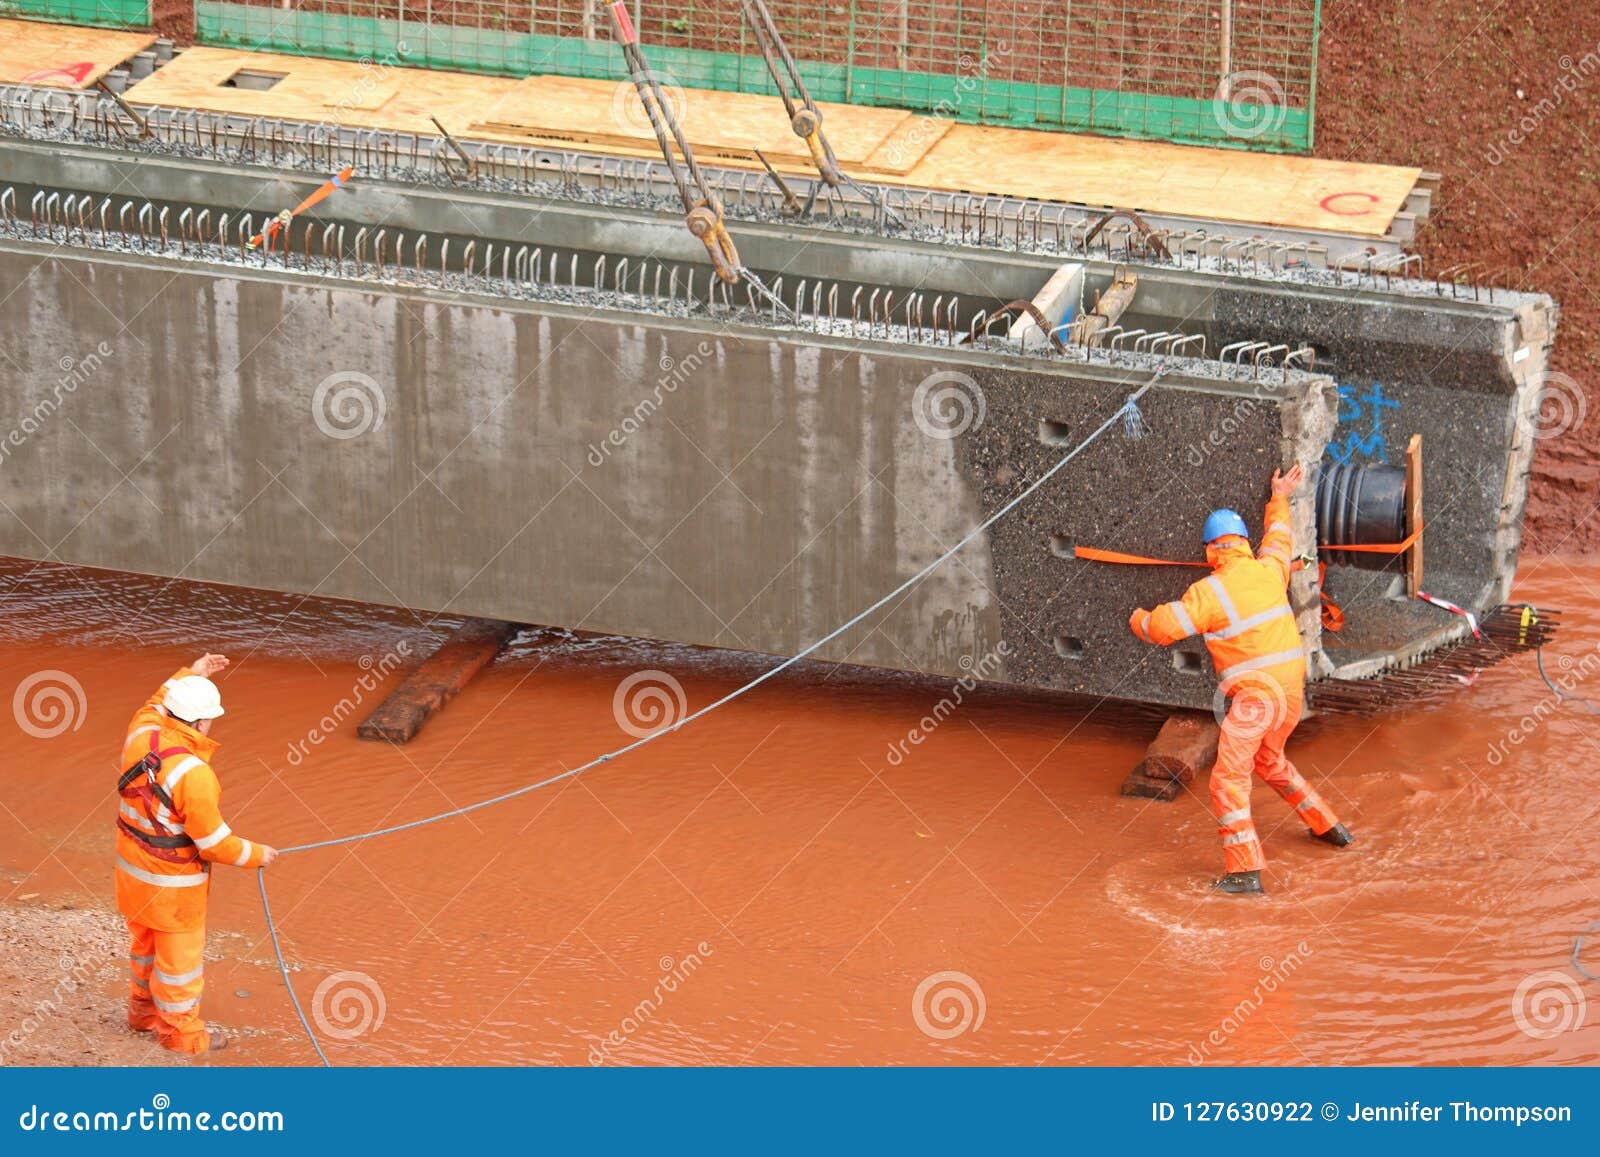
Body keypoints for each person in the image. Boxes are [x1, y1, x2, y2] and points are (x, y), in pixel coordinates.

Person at [1128, 465, 1353, 895]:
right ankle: (1329, 828)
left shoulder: (1209, 592)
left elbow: (1162, 629)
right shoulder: (1270, 569)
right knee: (1271, 763)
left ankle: (1244, 873)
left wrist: (1137, 618)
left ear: (1211, 550)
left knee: (1228, 778)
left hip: (1256, 700)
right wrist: (1279, 495)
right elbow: (1280, 536)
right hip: (1289, 695)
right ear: (1243, 544)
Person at [115, 653, 276, 1053]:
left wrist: (189, 673)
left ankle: (141, 1014)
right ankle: (181, 1037)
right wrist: (259, 854)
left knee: (145, 950)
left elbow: (154, 702)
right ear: (203, 724)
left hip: (132, 874)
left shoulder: (141, 733)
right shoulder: (194, 774)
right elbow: (215, 844)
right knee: (178, 968)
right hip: (173, 888)